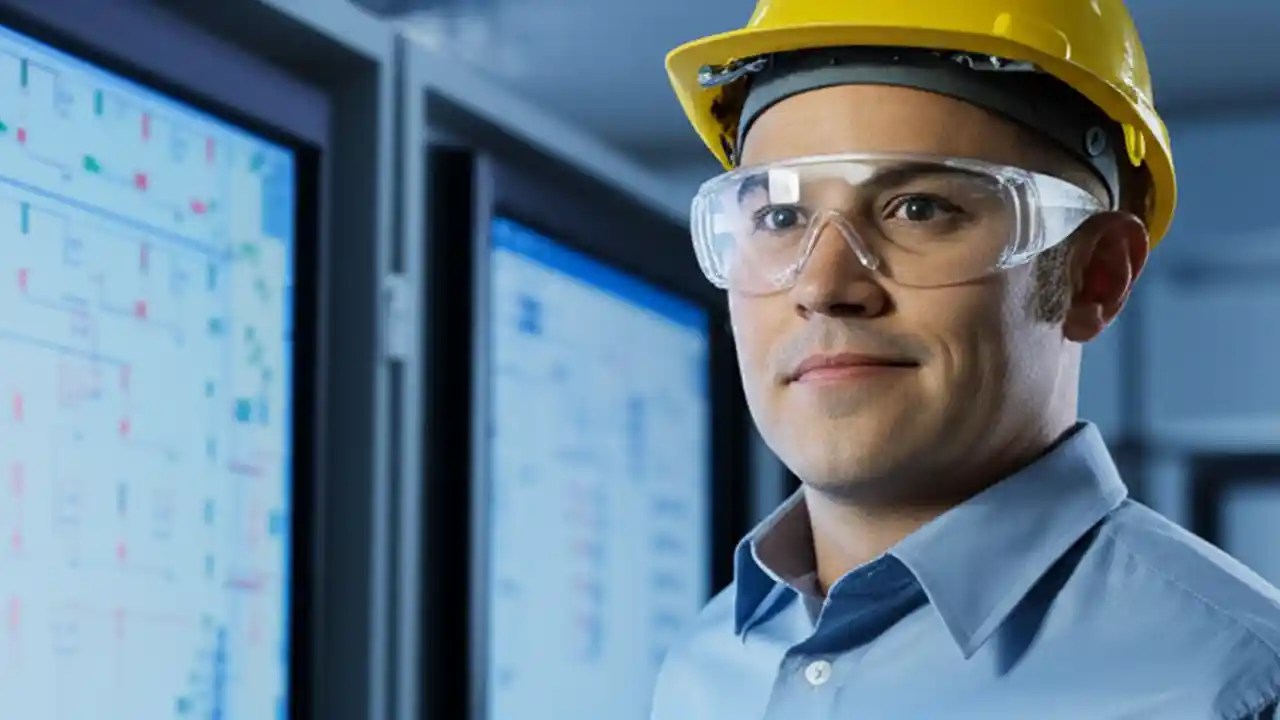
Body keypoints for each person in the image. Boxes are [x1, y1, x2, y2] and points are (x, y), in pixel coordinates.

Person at [652, 1, 1280, 718]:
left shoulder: (1235, 687)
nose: (823, 287)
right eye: (780, 218)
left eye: (919, 209)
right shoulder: (705, 669)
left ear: (1094, 274)